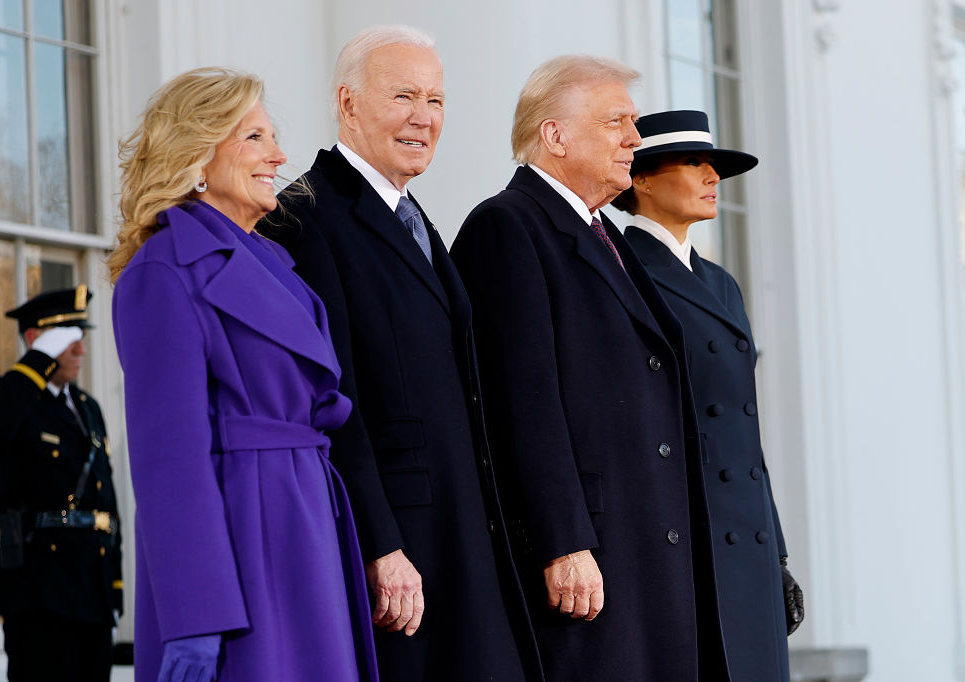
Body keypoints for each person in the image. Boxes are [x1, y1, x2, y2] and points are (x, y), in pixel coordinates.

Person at [259, 25, 540, 682]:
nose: (424, 118)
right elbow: (332, 398)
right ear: (349, 103)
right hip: (401, 551)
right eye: (404, 96)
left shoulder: (414, 217)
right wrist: (379, 543)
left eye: (436, 100)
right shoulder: (303, 214)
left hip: (464, 531)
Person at [450, 56, 730, 681]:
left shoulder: (604, 234)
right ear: (554, 136)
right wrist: (562, 541)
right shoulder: (508, 225)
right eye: (616, 122)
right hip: (589, 561)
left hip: (647, 550)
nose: (635, 137)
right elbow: (522, 400)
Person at [107, 67, 377, 682]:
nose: (278, 156)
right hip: (243, 541)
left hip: (303, 520)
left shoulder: (276, 262)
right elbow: (168, 458)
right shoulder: (164, 272)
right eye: (254, 137)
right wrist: (195, 615)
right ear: (197, 157)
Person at [612, 109, 805, 682]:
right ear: (641, 179)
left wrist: (778, 552)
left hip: (748, 540)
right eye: (694, 163)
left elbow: (745, 435)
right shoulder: (621, 269)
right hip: (687, 538)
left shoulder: (721, 282)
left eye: (714, 165)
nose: (711, 176)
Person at [0, 285, 123, 682]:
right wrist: (39, 358)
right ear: (34, 340)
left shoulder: (88, 409)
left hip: (92, 589)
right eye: (69, 340)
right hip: (40, 590)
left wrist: (115, 586)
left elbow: (105, 500)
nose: (81, 350)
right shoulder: (7, 397)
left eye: (81, 340)